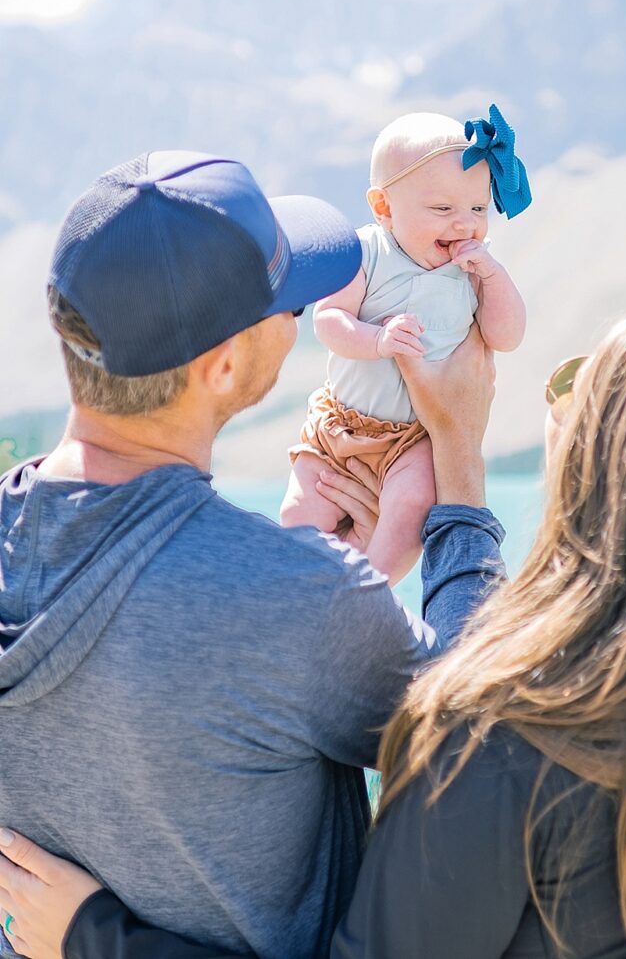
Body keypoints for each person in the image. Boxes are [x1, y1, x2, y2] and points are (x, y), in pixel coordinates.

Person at [0, 310, 626, 959]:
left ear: (600, 472)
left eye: (579, 392)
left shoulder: (496, 748)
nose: (559, 406)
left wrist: (92, 937)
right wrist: (452, 480)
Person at [0, 153, 505, 959]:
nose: (304, 313)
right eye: (288, 305)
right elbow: (491, 752)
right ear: (225, 365)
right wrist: (460, 465)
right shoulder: (295, 600)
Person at [282, 107, 528, 580]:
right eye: (442, 209)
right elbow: (329, 320)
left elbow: (507, 336)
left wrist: (494, 279)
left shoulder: (474, 268)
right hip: (340, 427)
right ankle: (303, 593)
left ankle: (371, 598)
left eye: (478, 209)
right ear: (383, 207)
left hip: (415, 439)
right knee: (300, 509)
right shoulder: (367, 251)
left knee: (413, 506)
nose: (464, 225)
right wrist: (377, 340)